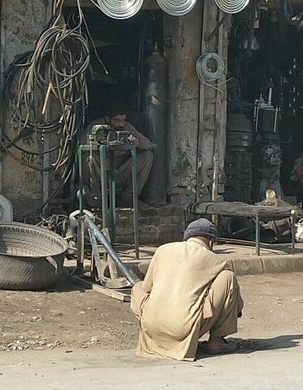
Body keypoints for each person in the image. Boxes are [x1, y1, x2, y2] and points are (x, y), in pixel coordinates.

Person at [131, 218, 243, 361]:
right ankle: (217, 341)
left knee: (137, 287)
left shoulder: (162, 249)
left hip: (151, 327)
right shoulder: (214, 260)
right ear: (210, 242)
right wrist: (237, 308)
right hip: (182, 329)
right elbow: (235, 301)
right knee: (228, 277)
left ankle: (157, 336)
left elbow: (147, 288)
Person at [80, 103, 153, 207]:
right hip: (101, 172)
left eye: (123, 120)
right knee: (88, 158)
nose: (121, 124)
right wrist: (103, 147)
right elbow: (82, 145)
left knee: (147, 156)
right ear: (107, 119)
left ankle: (129, 199)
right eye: (117, 121)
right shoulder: (96, 128)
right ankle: (95, 200)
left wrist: (138, 142)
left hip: (121, 172)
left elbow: (148, 144)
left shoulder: (127, 127)